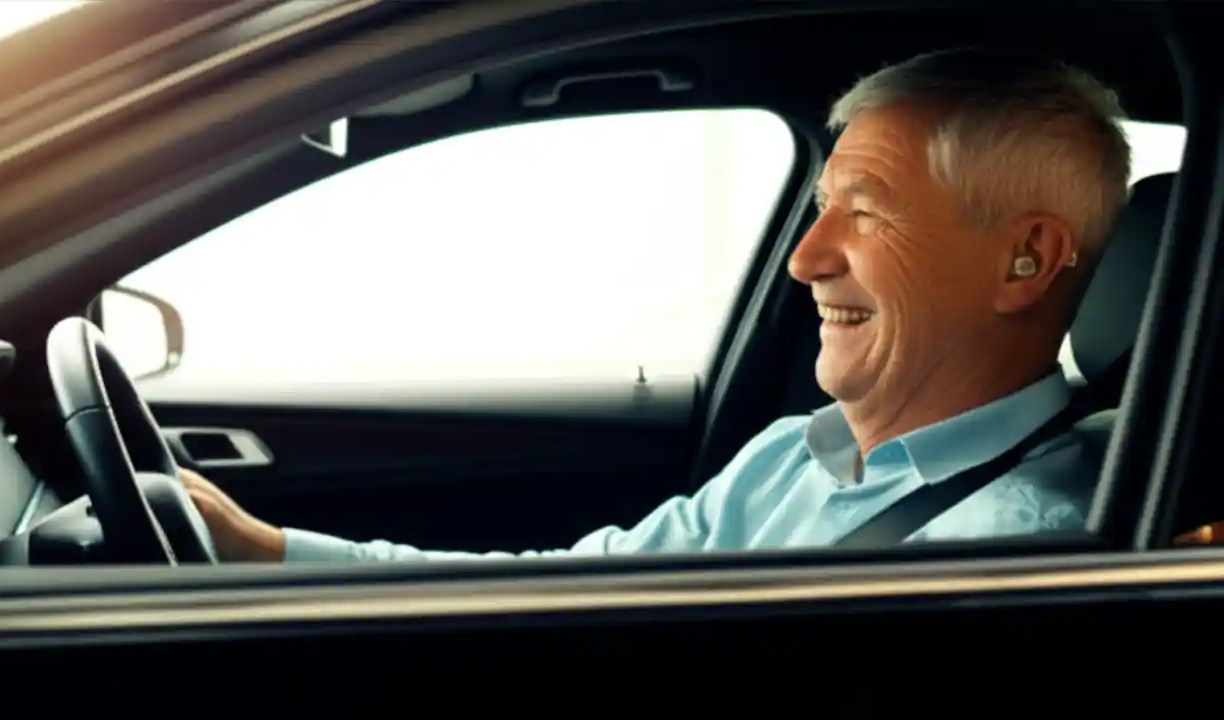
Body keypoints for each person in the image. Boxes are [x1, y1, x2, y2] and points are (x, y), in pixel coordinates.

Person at [180, 47, 1133, 562]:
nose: (807, 259)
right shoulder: (794, 460)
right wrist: (270, 553)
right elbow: (568, 597)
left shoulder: (1017, 546)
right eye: (818, 210)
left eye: (868, 214)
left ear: (1024, 260)